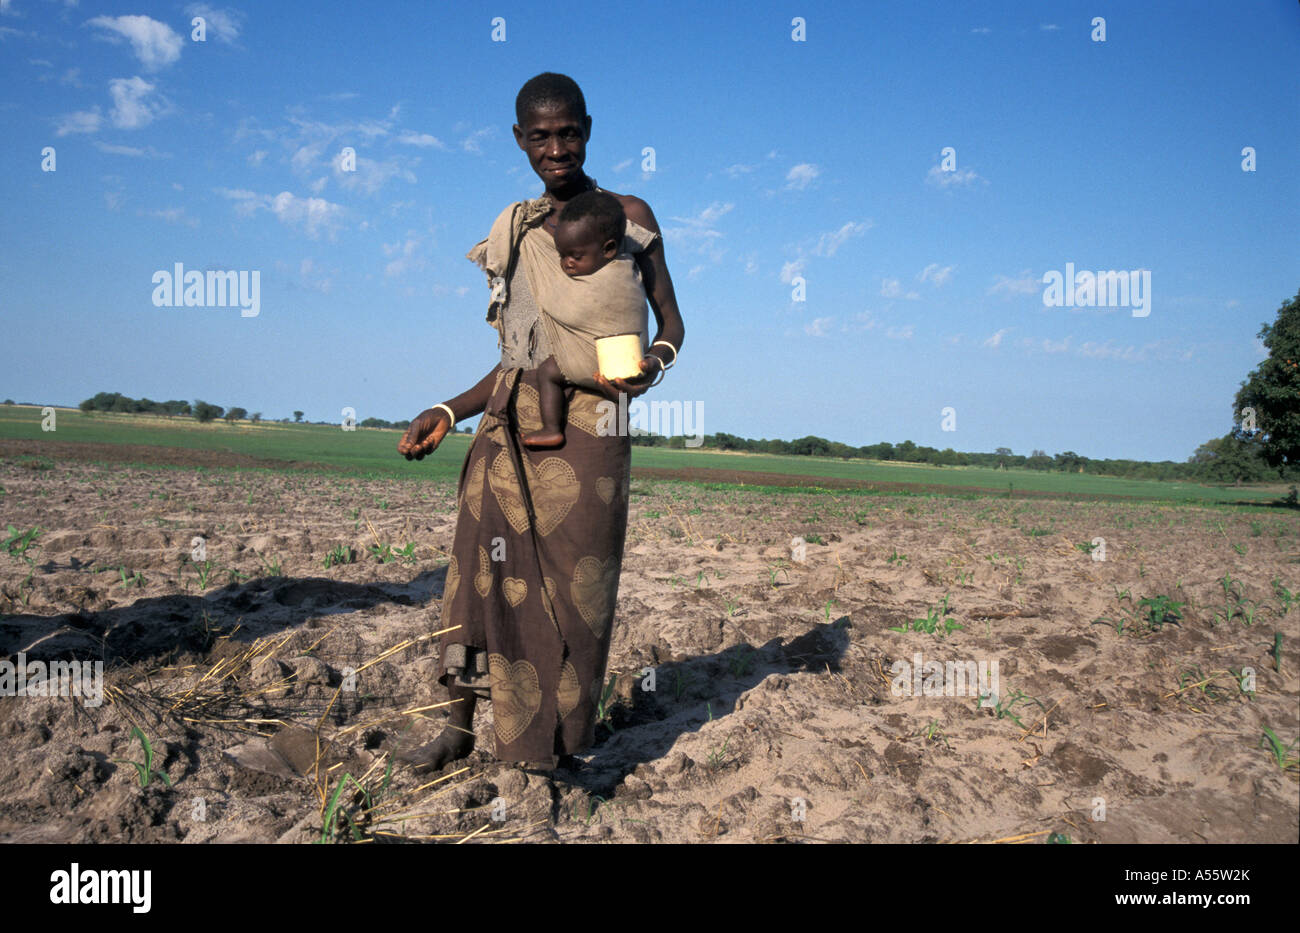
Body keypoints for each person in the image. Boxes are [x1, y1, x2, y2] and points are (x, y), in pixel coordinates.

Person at [396, 72, 685, 772]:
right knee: (477, 578)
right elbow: (517, 356)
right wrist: (447, 409)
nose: (556, 148)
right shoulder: (519, 231)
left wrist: (657, 358)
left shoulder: (628, 216)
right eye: (541, 135)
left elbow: (671, 317)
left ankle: (549, 745)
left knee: (576, 592)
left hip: (593, 433)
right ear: (519, 138)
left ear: (589, 127)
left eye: (569, 132)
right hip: (509, 429)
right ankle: (458, 727)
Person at [523, 189, 653, 449]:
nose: (566, 264)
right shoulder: (629, 265)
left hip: (600, 363)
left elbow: (559, 303)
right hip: (627, 363)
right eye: (562, 256)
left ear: (609, 250)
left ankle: (551, 428)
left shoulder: (618, 276)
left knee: (548, 371)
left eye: (576, 256)